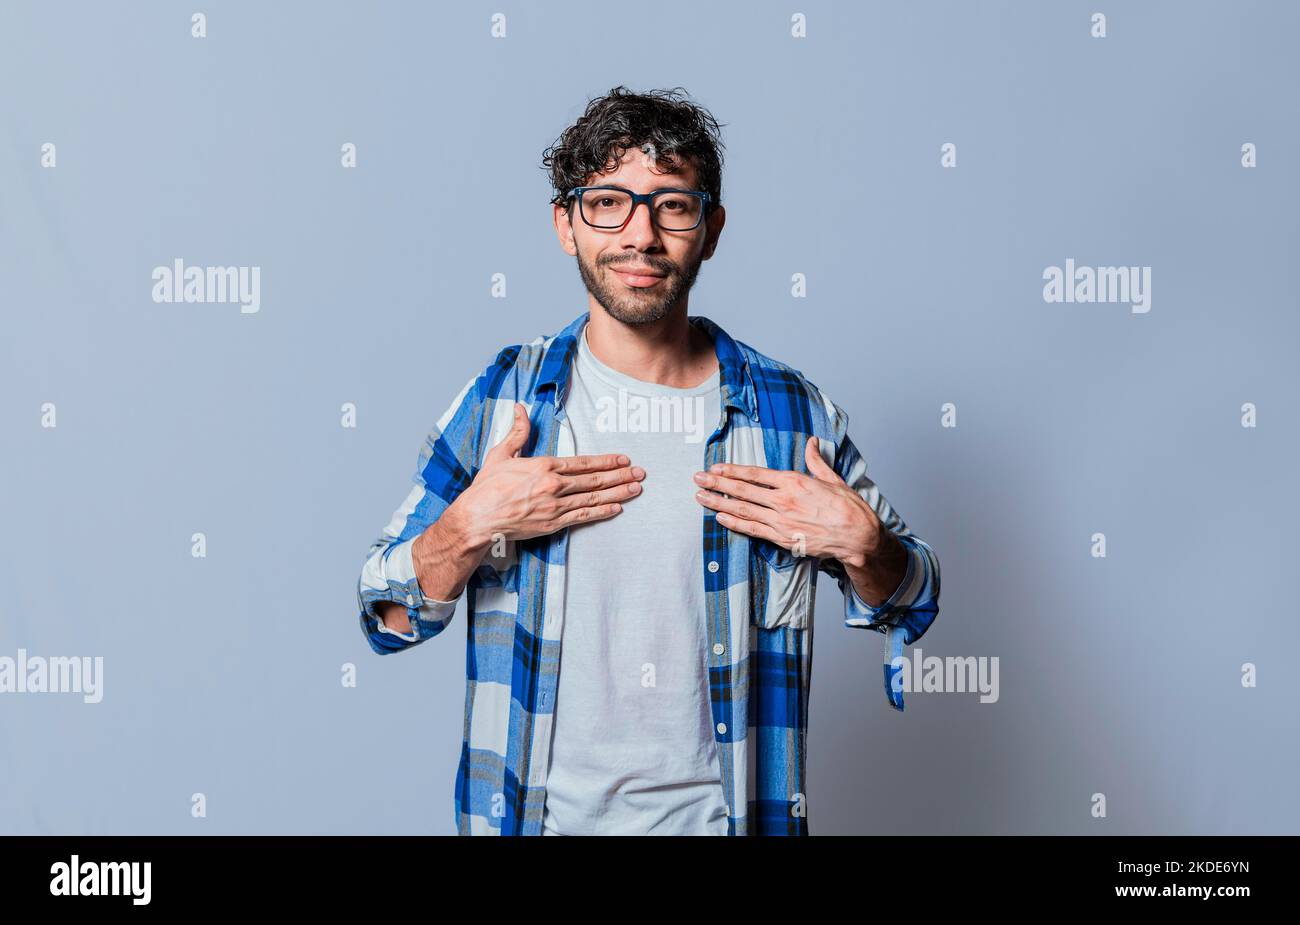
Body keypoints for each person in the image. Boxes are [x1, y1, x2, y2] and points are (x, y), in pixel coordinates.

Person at [358, 86, 941, 835]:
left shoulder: (790, 414)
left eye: (672, 206)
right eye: (608, 203)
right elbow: (386, 615)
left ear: (712, 228)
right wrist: (470, 524)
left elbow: (912, 600)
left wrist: (868, 547)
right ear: (566, 225)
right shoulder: (504, 402)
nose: (641, 236)